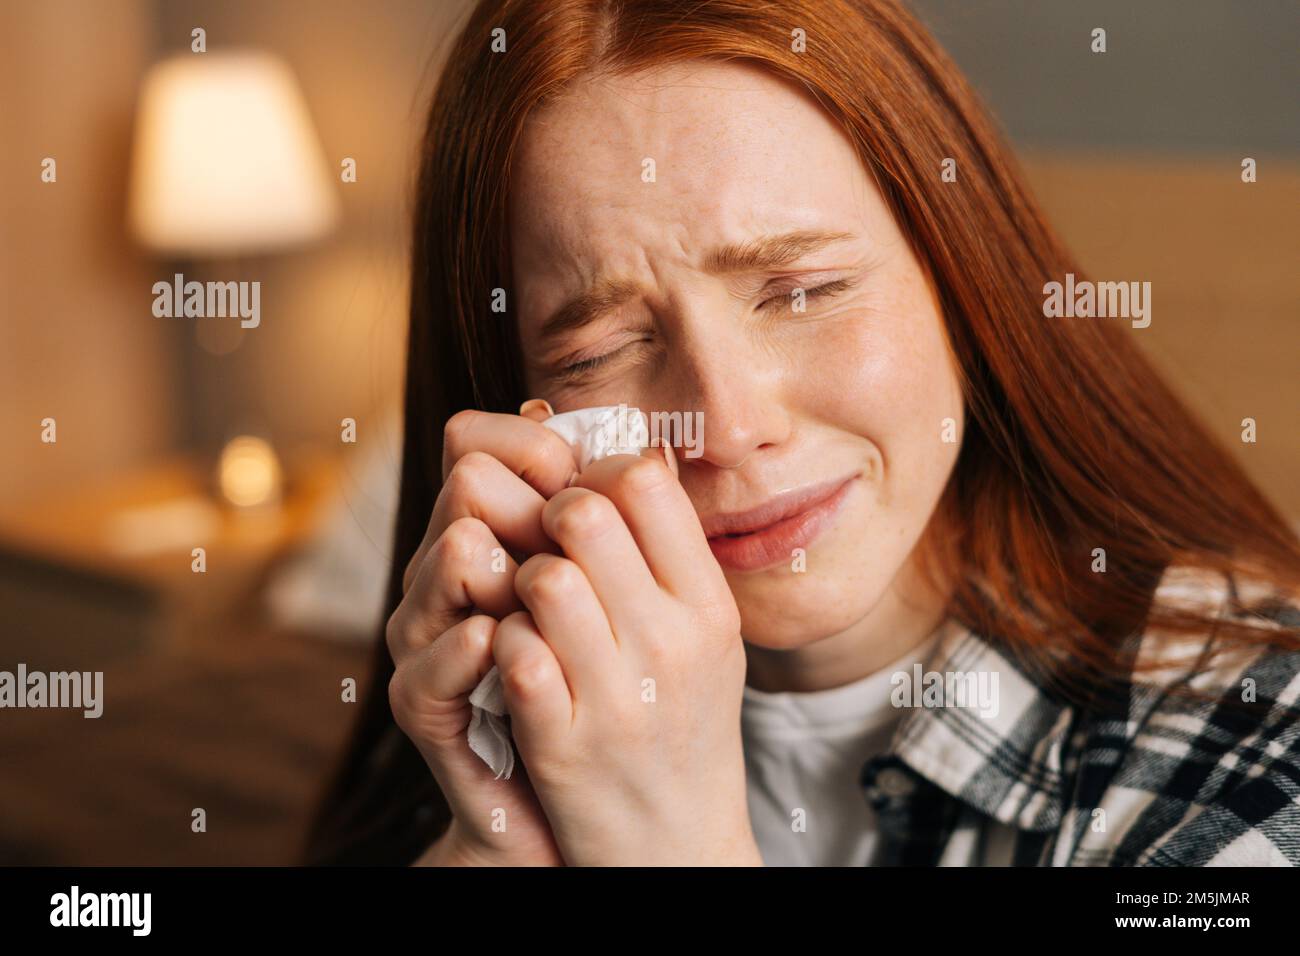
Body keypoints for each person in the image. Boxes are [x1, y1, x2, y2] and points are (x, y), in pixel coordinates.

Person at [302, 0, 1300, 866]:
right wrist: (496, 836)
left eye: (804, 292)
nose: (729, 426)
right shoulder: (498, 706)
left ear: (959, 277)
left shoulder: (1251, 753)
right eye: (600, 352)